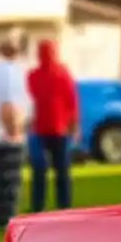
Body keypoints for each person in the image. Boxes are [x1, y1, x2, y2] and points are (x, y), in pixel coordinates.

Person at [0, 31, 31, 229]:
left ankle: (0, 216)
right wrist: (14, 130)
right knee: (10, 180)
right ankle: (7, 218)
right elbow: (8, 103)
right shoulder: (8, 71)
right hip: (5, 134)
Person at [26, 39, 78, 213]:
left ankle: (41, 206)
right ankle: (62, 206)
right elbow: (72, 101)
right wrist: (73, 124)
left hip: (47, 129)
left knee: (45, 171)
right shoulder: (61, 73)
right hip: (54, 128)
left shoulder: (36, 75)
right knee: (59, 171)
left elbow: (71, 100)